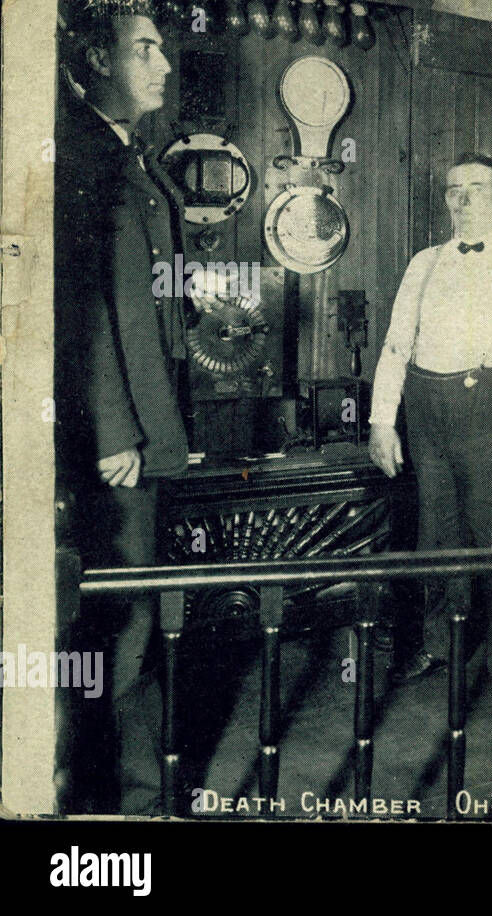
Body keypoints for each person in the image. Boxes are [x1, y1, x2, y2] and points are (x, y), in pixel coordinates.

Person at [368, 153, 492, 717]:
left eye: (477, 187)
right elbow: (396, 345)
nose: (463, 198)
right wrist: (382, 421)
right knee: (436, 535)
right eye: (454, 188)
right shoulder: (423, 263)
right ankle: (438, 644)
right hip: (426, 413)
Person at [55, 0, 190, 814]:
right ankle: (126, 806)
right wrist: (115, 431)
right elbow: (83, 308)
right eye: (145, 50)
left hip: (144, 423)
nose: (164, 65)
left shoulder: (128, 156)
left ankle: (138, 794)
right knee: (124, 622)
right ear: (98, 61)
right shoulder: (82, 156)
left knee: (137, 615)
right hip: (118, 439)